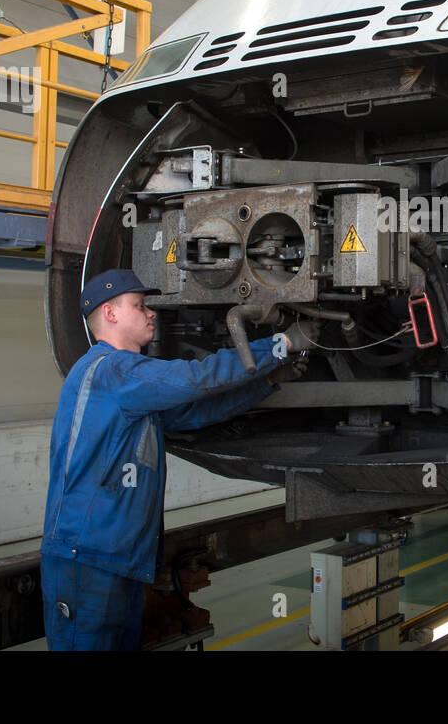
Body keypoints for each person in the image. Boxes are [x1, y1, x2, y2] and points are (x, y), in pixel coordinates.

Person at [41, 268, 316, 650]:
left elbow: (196, 413)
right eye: (139, 306)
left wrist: (266, 382)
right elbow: (197, 377)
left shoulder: (133, 393)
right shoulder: (110, 371)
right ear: (110, 313)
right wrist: (279, 344)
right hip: (87, 558)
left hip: (117, 559)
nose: (151, 313)